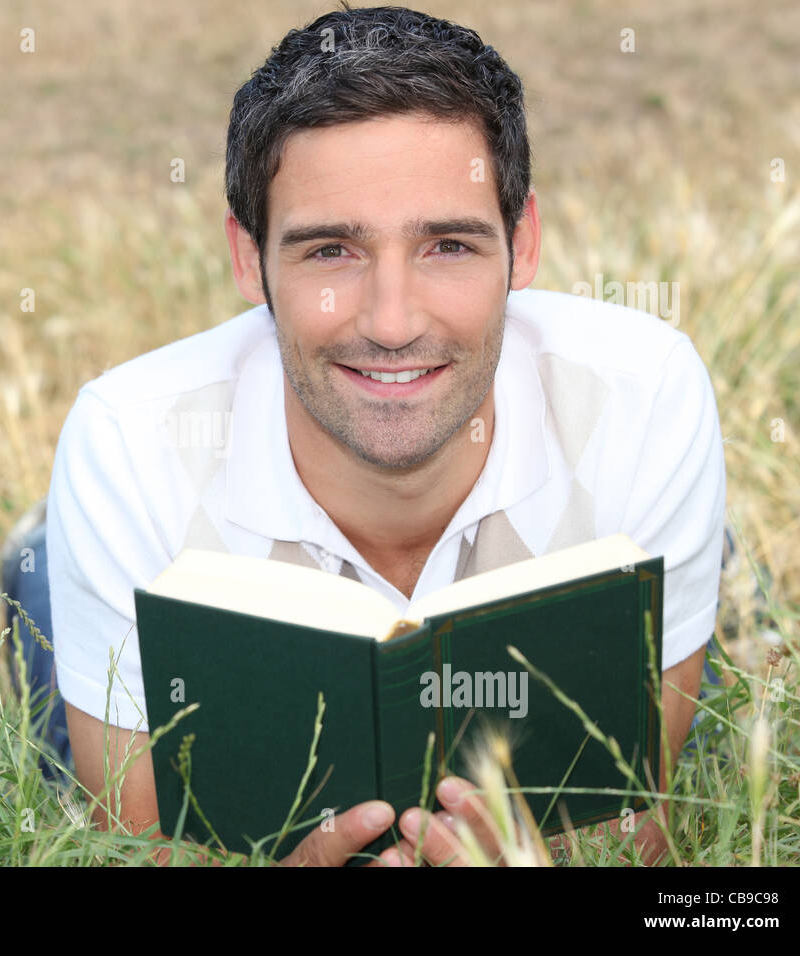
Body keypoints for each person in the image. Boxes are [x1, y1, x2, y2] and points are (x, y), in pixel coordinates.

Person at [36, 3, 727, 866]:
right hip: (128, 539)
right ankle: (37, 545)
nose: (393, 322)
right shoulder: (126, 446)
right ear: (249, 260)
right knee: (47, 708)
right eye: (331, 251)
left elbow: (637, 839)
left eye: (447, 246)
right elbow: (139, 848)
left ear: (525, 242)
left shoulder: (643, 398)